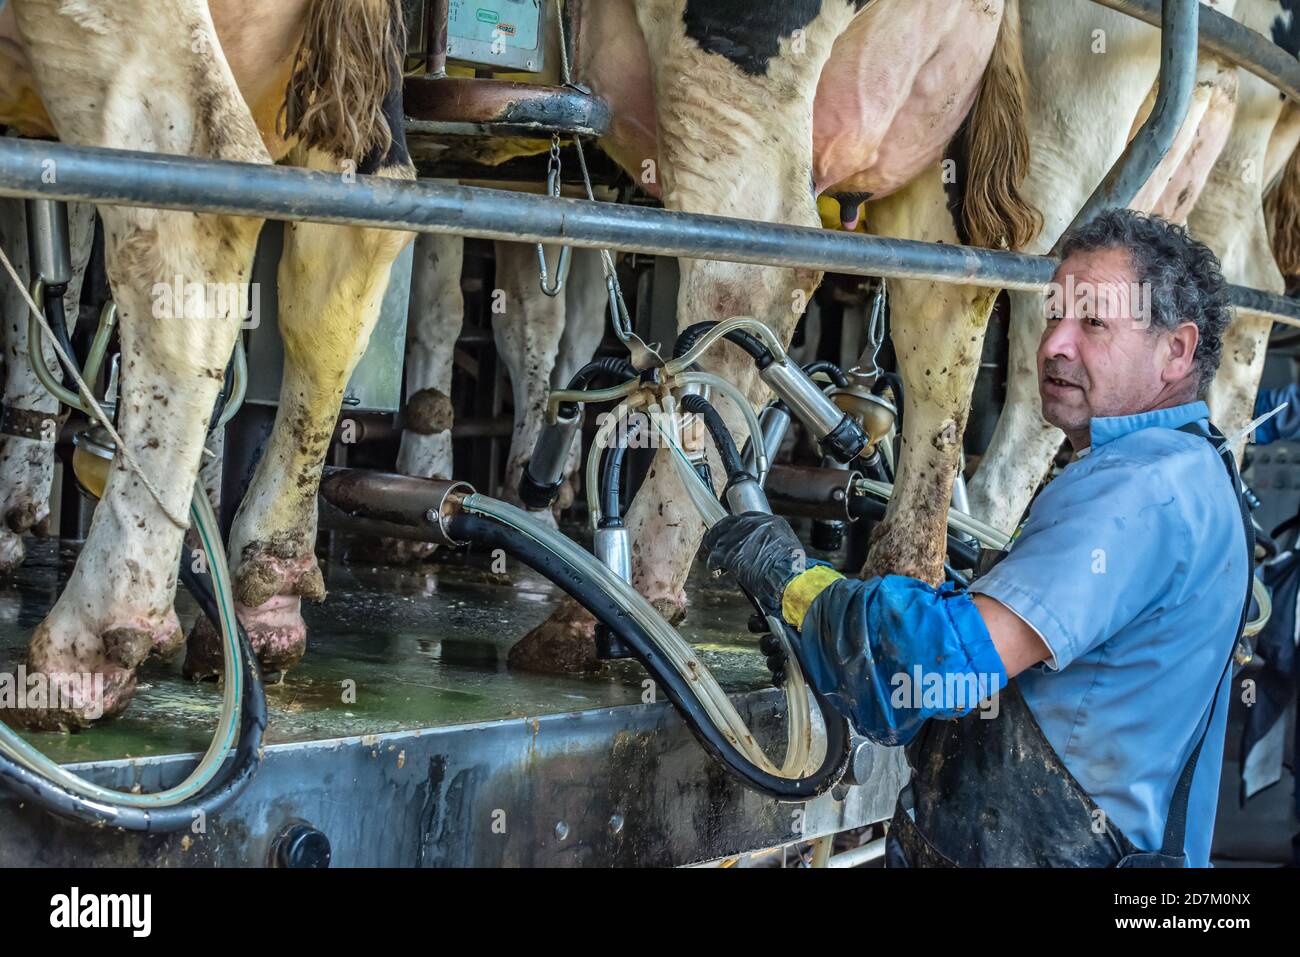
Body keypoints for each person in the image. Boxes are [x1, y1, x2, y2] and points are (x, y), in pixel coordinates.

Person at [703, 209, 1253, 867]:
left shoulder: (1140, 487)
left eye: (1093, 323)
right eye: (1054, 316)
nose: (1054, 345)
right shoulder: (1194, 466)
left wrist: (794, 583)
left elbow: (941, 667)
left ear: (1176, 351)